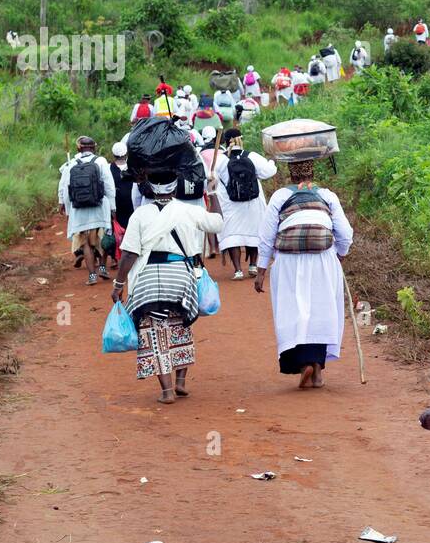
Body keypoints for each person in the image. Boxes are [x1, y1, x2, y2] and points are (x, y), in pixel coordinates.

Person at [110, 170, 224, 405]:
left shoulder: (140, 215)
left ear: (150, 189)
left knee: (154, 333)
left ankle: (167, 391)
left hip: (147, 281)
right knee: (180, 327)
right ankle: (181, 380)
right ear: (174, 188)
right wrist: (212, 192)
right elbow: (217, 223)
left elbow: (129, 253)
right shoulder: (188, 210)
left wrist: (118, 284)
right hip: (181, 278)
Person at [254, 159, 353, 389]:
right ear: (313, 174)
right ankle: (317, 370)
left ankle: (301, 364)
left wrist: (260, 270)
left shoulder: (280, 196)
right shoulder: (327, 195)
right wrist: (339, 254)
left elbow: (266, 235)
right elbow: (345, 233)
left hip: (288, 261)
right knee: (319, 309)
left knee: (293, 310)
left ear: (290, 173)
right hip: (322, 259)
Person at [211, 128, 278, 280]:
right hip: (252, 202)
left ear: (226, 141)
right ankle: (253, 265)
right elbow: (268, 172)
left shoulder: (220, 160)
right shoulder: (252, 156)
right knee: (254, 232)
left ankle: (238, 270)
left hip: (230, 203)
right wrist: (272, 161)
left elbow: (211, 179)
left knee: (232, 234)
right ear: (241, 139)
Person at [58, 136, 116, 286]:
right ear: (94, 148)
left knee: (85, 244)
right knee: (102, 238)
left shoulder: (71, 164)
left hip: (80, 210)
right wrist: (112, 207)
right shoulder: (101, 161)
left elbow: (65, 190)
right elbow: (109, 186)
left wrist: (69, 212)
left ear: (79, 148)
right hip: (99, 206)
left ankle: (92, 275)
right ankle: (103, 267)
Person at [110, 141, 136, 251]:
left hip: (116, 205)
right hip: (131, 204)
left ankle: (118, 254)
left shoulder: (109, 168)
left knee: (117, 230)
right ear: (126, 154)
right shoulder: (132, 168)